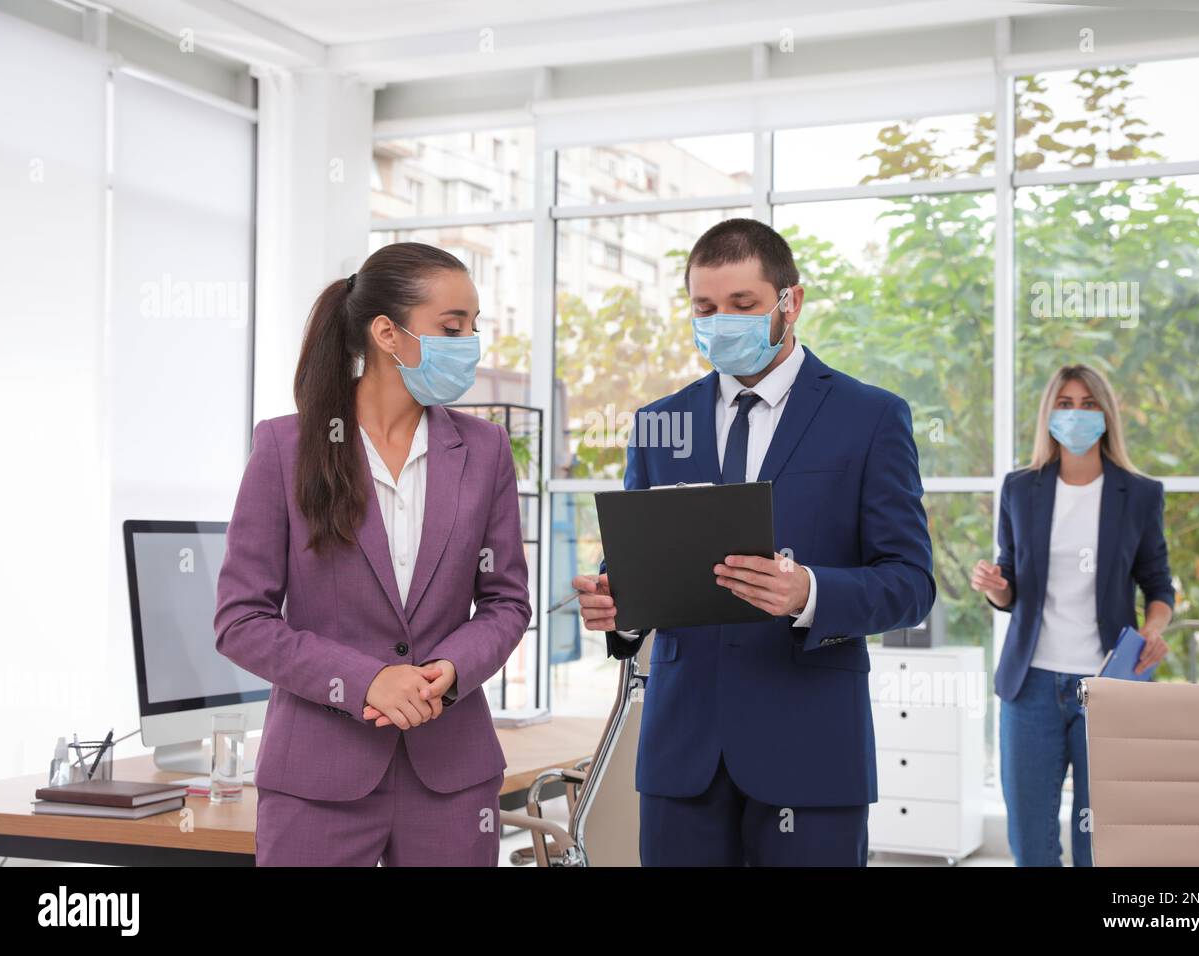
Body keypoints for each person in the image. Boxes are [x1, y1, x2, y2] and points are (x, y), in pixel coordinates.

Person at [573, 218, 936, 866]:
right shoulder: (660, 423)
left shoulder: (871, 418)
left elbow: (911, 583)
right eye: (705, 308)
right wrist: (613, 605)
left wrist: (811, 592)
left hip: (811, 750)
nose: (721, 323)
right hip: (681, 758)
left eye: (742, 306)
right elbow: (631, 566)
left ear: (789, 303)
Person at [215, 242, 531, 866]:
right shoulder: (286, 447)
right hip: (317, 779)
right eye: (452, 326)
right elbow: (240, 621)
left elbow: (506, 601)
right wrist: (367, 680)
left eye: (474, 325)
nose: (470, 341)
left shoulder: (486, 449)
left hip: (452, 774)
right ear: (388, 332)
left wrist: (451, 671)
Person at [971, 363, 1174, 867]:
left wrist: (1152, 630)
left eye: (1088, 404)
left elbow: (1158, 583)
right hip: (1030, 688)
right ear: (1049, 414)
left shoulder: (1140, 494)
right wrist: (997, 588)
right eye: (1065, 404)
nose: (1076, 414)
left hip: (1107, 686)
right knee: (1031, 844)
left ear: (1106, 415)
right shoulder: (1021, 489)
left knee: (1099, 844)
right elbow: (1011, 588)